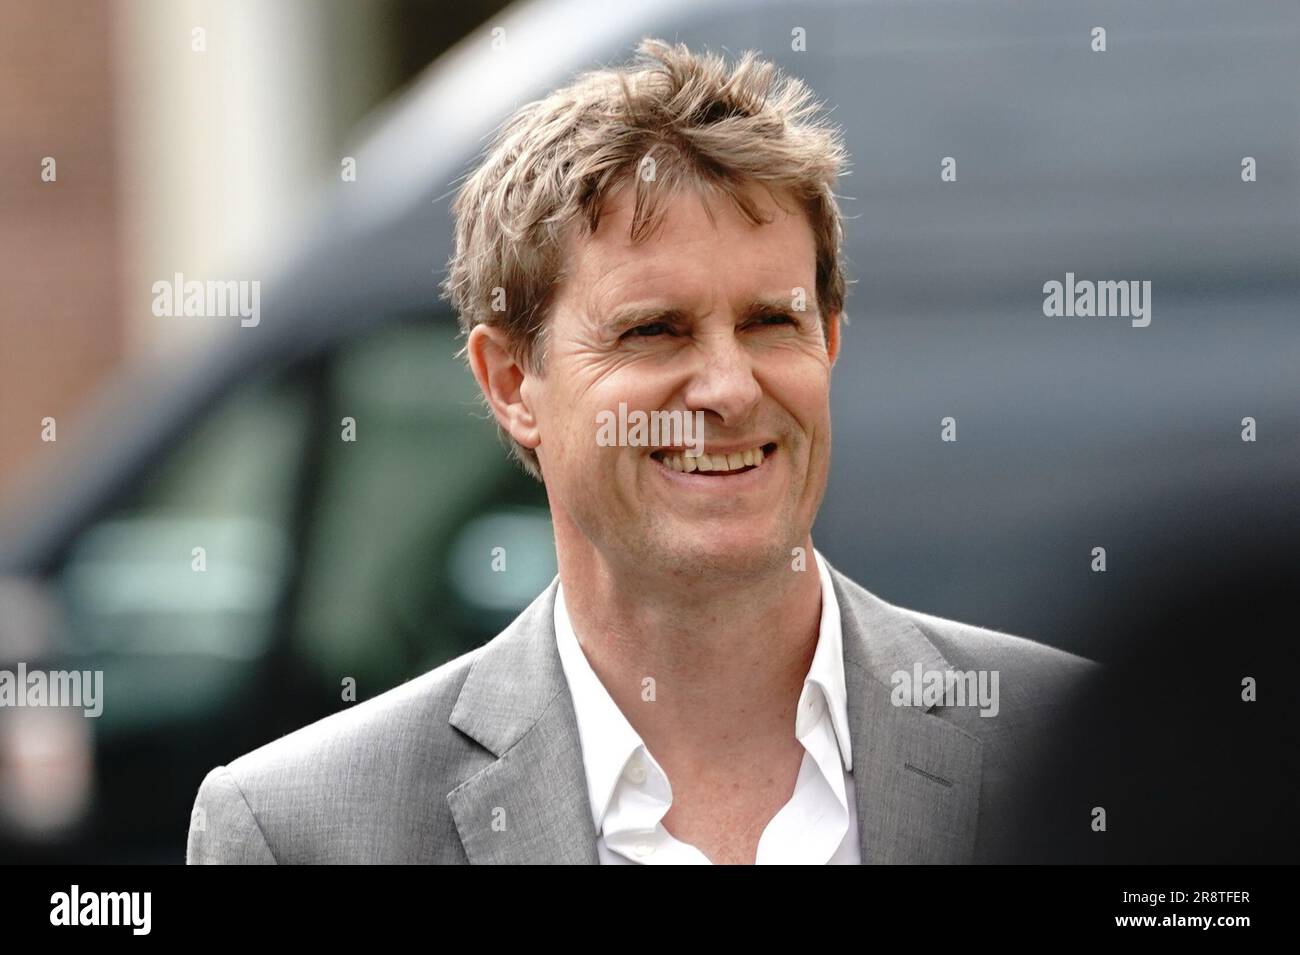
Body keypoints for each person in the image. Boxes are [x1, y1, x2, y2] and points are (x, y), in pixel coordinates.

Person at [187, 38, 1098, 865]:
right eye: (655, 331)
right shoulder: (301, 833)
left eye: (771, 322)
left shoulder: (1088, 749)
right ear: (511, 383)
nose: (730, 388)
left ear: (830, 339)